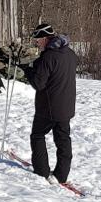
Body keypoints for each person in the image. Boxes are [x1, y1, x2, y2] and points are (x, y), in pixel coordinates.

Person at [26, 22, 77, 185]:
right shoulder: (70, 53)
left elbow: (38, 83)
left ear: (45, 38)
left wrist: (28, 70)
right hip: (66, 106)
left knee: (37, 135)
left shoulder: (48, 56)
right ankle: (61, 175)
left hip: (48, 107)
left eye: (38, 40)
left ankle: (41, 171)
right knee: (63, 139)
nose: (37, 43)